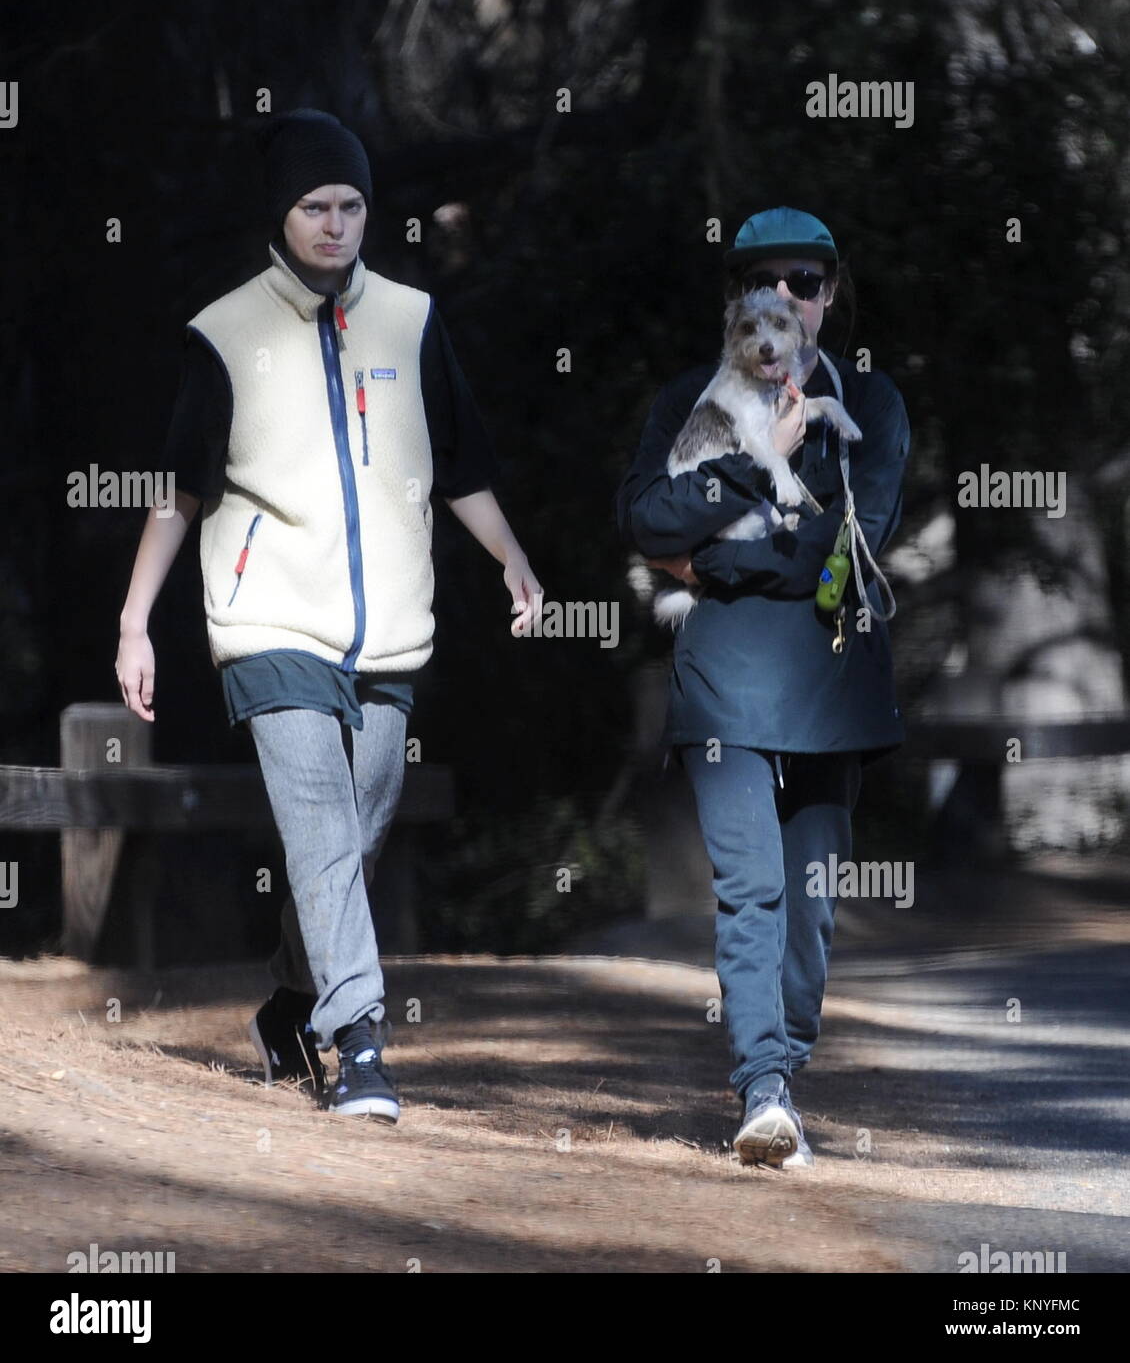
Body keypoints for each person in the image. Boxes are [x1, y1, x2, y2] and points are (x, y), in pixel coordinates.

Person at [115, 108, 543, 1122]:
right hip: (266, 623)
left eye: (352, 205)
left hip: (390, 629)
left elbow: (463, 468)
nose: (335, 224)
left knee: (357, 827)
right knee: (314, 825)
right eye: (315, 206)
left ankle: (291, 1003)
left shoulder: (412, 319)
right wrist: (135, 622)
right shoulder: (223, 334)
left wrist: (513, 559)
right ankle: (357, 1045)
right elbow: (178, 493)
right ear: (281, 214)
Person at [616, 207, 910, 1168]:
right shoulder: (686, 400)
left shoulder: (873, 409)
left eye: (808, 284)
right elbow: (645, 519)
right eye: (767, 285)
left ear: (831, 298)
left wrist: (706, 569)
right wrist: (751, 470)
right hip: (722, 686)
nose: (789, 302)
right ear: (739, 303)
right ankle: (764, 1091)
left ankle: (784, 1055)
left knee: (814, 900)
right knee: (750, 888)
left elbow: (843, 552)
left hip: (830, 684)